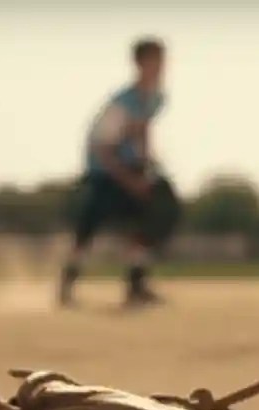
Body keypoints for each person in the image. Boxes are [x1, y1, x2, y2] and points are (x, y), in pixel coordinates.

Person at [59, 37, 178, 309]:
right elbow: (102, 148)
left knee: (154, 214)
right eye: (153, 61)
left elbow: (143, 131)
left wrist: (147, 167)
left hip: (132, 166)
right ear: (138, 64)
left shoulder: (156, 97)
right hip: (106, 170)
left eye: (162, 61)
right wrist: (130, 180)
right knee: (88, 228)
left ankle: (136, 286)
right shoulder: (122, 103)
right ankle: (66, 286)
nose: (159, 67)